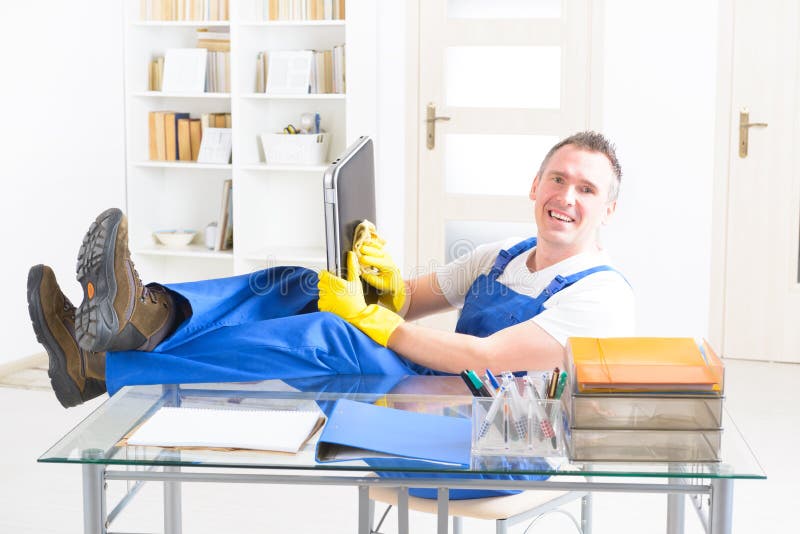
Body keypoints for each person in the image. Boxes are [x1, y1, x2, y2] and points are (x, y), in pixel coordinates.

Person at [27, 131, 634, 410]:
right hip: (422, 379)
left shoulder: (600, 297)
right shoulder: (503, 253)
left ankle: (102, 367)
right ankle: (140, 319)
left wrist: (366, 315)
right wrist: (379, 279)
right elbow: (404, 304)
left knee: (332, 332)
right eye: (558, 178)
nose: (567, 197)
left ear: (608, 209)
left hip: (474, 427)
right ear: (535, 185)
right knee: (302, 284)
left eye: (587, 188)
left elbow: (480, 360)